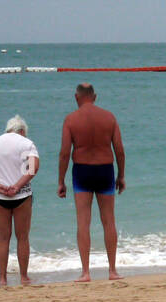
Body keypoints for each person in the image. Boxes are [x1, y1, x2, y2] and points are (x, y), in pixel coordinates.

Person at [58, 83, 127, 281]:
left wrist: (61, 181)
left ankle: (86, 272)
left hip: (82, 172)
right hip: (105, 170)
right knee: (109, 221)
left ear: (76, 97)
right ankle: (112, 271)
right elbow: (119, 150)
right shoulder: (109, 117)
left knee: (83, 223)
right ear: (95, 96)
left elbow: (64, 154)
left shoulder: (71, 120)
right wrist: (121, 175)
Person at [0, 115, 40, 287]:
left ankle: (3, 279)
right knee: (22, 237)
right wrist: (17, 186)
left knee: (3, 238)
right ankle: (23, 277)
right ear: (22, 131)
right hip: (21, 196)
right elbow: (33, 167)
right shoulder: (27, 144)